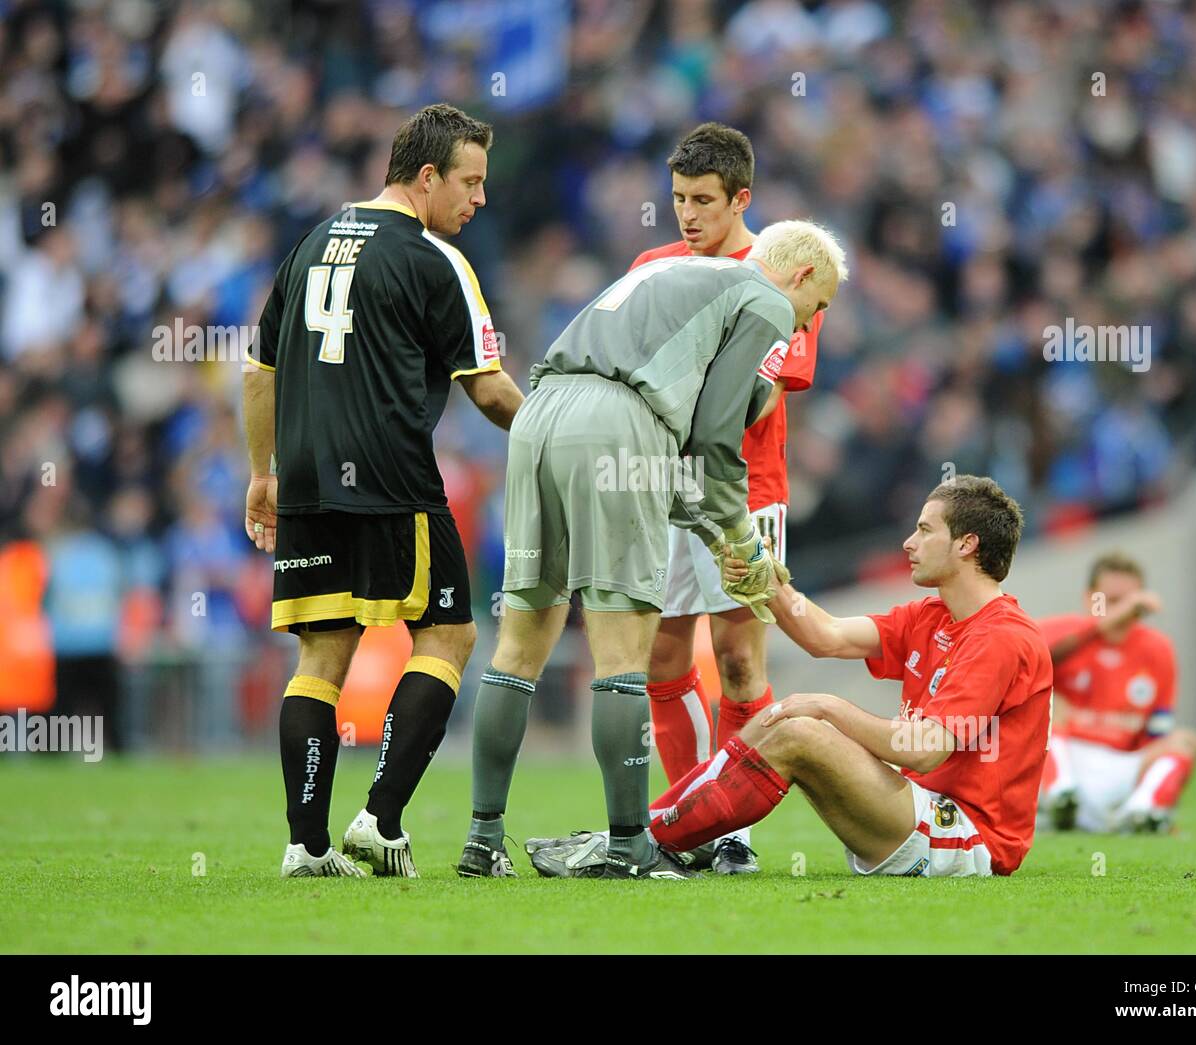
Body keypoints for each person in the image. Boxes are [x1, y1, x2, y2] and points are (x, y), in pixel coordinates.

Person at [458, 220, 846, 880]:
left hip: (538, 416)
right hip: (616, 422)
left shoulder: (660, 271)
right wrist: (744, 547)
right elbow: (717, 442)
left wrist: (712, 528)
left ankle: (482, 839)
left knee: (520, 642)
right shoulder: (768, 298)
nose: (814, 318)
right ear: (803, 275)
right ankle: (630, 843)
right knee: (622, 653)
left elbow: (689, 446)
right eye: (822, 303)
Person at [243, 103, 524, 878]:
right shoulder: (434, 259)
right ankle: (381, 818)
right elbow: (491, 391)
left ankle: (305, 845)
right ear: (426, 176)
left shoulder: (308, 243)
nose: (480, 198)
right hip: (393, 479)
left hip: (302, 478)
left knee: (321, 654)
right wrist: (558, 437)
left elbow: (257, 372)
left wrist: (262, 472)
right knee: (450, 635)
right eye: (470, 181)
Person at [529, 476, 1053, 879]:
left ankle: (633, 843)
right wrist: (764, 572)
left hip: (967, 841)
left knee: (801, 729)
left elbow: (924, 750)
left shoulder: (1001, 636)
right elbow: (823, 634)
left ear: (966, 544)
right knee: (780, 718)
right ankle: (635, 836)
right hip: (911, 813)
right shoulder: (931, 616)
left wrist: (827, 709)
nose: (908, 542)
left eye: (924, 529)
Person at [630, 122, 825, 874]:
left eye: (704, 200)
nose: (688, 214)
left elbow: (764, 393)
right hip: (657, 487)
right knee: (663, 657)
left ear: (742, 197)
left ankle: (733, 824)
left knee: (739, 661)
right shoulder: (652, 265)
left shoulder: (787, 271)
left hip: (744, 493)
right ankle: (688, 821)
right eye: (678, 199)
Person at [1037, 552, 1196, 832]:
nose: (1125, 612)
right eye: (1113, 601)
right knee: (1046, 703)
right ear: (1090, 598)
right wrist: (1106, 621)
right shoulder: (1067, 633)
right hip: (1065, 758)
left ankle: (1143, 812)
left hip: (1120, 765)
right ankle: (1060, 797)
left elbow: (1158, 726)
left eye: (1131, 603)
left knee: (1186, 740)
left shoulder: (1158, 649)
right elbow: (1025, 657)